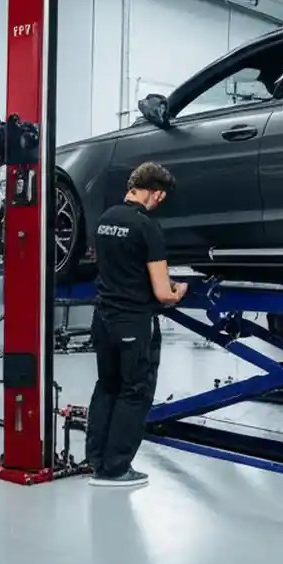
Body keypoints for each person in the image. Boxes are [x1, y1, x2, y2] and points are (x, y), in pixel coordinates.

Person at [85, 162, 186, 487]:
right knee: (135, 392)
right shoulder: (147, 228)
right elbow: (162, 292)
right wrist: (179, 290)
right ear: (155, 193)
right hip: (132, 321)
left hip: (103, 318)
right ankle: (116, 469)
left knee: (107, 386)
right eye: (162, 198)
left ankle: (97, 460)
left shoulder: (105, 220)